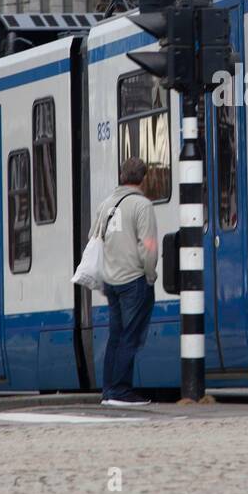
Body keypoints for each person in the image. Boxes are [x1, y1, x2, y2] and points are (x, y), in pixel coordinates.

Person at [94, 157, 159, 406]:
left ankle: (109, 390)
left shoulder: (106, 204)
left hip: (111, 281)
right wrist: (150, 274)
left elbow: (95, 237)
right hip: (134, 279)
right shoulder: (142, 206)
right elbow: (149, 246)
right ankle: (121, 391)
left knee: (115, 336)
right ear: (143, 178)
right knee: (130, 337)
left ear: (122, 176)